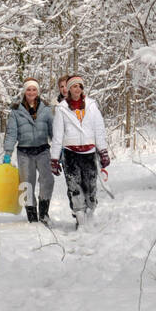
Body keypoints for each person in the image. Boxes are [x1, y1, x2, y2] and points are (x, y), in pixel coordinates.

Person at [50, 75, 110, 226]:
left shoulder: (91, 106)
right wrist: (54, 159)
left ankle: (90, 214)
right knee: (74, 188)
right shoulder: (61, 108)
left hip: (89, 153)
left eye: (80, 86)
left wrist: (103, 151)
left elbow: (99, 129)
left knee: (91, 187)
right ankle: (80, 221)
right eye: (74, 86)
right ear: (69, 89)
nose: (77, 89)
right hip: (70, 154)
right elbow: (57, 136)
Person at [3, 79, 55, 223]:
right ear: (24, 92)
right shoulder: (16, 110)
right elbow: (12, 133)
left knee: (48, 180)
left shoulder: (46, 109)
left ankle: (44, 213)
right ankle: (32, 217)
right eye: (28, 90)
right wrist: (8, 152)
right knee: (27, 184)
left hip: (43, 150)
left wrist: (59, 150)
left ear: (38, 91)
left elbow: (53, 132)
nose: (31, 92)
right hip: (24, 152)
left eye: (34, 89)